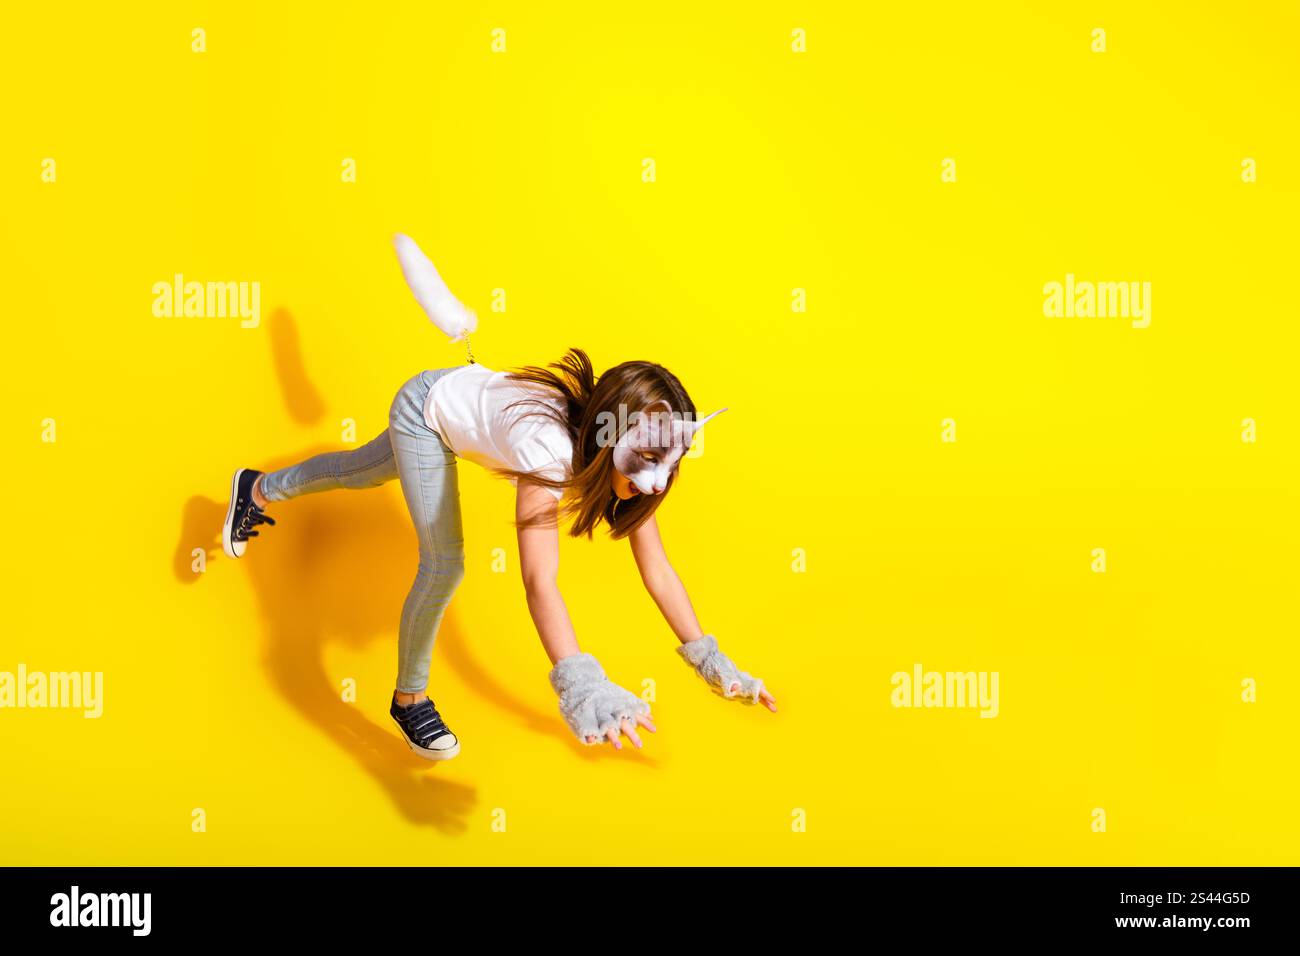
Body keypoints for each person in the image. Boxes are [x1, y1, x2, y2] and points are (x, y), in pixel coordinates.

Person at [220, 236, 776, 761]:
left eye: (670, 462)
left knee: (357, 472)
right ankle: (409, 700)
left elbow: (658, 570)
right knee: (444, 566)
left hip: (453, 408)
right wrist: (585, 687)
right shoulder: (547, 451)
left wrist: (713, 663)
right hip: (425, 412)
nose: (656, 481)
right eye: (649, 458)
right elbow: (540, 580)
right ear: (611, 436)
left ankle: (257, 489)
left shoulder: (624, 468)